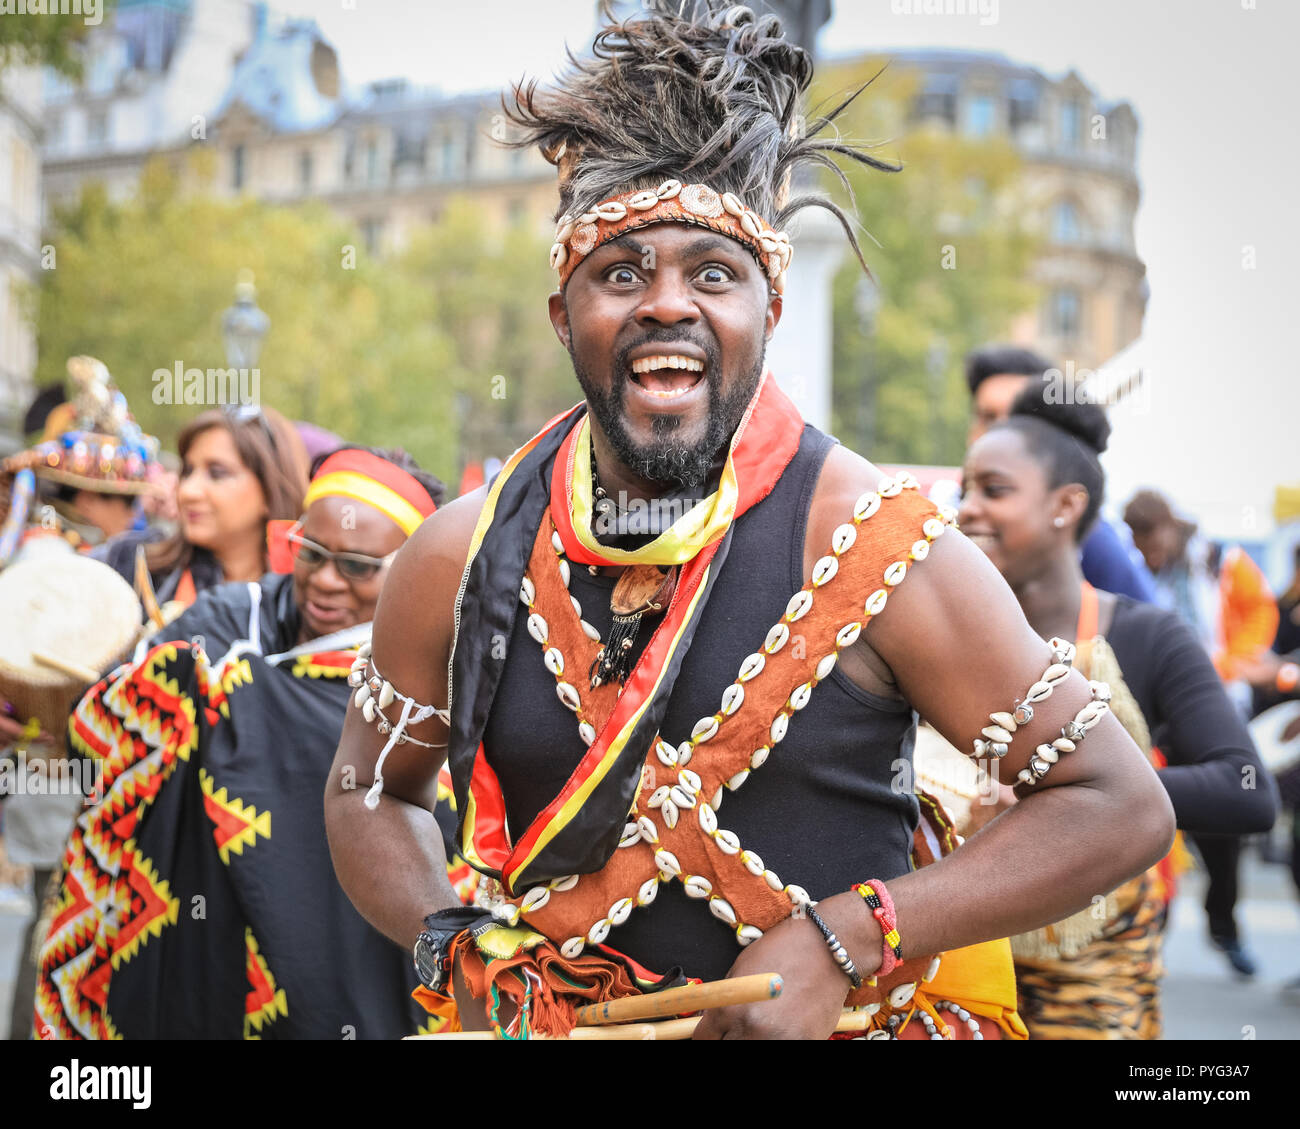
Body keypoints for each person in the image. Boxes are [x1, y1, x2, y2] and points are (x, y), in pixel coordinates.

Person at [324, 1, 1174, 1042]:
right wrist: (454, 952)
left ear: (767, 308)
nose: (667, 304)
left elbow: (1115, 803)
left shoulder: (876, 544)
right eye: (621, 273)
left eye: (713, 274)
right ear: (563, 317)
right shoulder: (456, 552)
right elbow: (369, 788)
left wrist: (851, 936)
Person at [31, 446, 467, 1040]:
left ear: (413, 570)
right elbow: (110, 726)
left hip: (348, 953)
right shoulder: (234, 615)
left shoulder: (440, 675)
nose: (325, 581)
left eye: (358, 566)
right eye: (309, 554)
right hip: (199, 939)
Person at [956, 386, 1276, 1037]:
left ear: (1066, 505)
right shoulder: (934, 637)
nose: (967, 509)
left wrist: (1086, 795)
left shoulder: (1147, 637)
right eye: (964, 490)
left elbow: (1247, 791)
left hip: (1094, 986)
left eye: (993, 490)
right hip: (954, 971)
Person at [1124, 487, 1278, 976]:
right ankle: (1151, 933)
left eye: (1151, 536)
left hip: (1211, 705)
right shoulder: (1134, 569)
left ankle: (1224, 925)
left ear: (1169, 527)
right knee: (1152, 825)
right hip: (1159, 715)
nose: (1147, 548)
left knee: (1224, 832)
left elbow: (1261, 611)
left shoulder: (1220, 560)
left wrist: (1230, 663)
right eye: (1138, 539)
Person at [965, 344, 1158, 603]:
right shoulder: (940, 516)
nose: (1002, 434)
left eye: (1018, 418)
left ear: (1067, 507)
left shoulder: (1094, 538)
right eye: (988, 418)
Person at [94, 405, 309, 614]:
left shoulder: (308, 601)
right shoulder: (129, 563)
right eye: (187, 471)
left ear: (270, 490)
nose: (187, 491)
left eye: (217, 473)